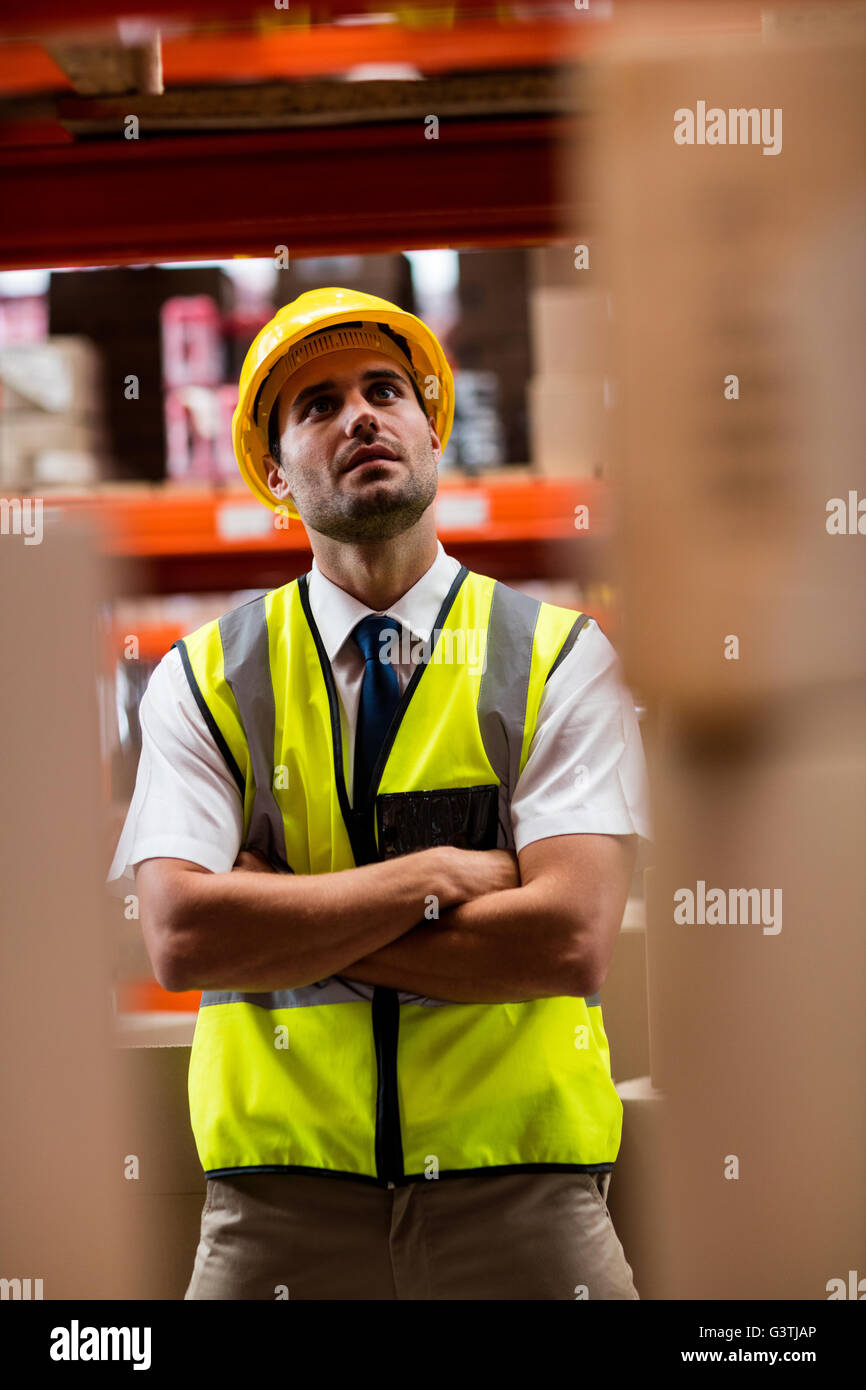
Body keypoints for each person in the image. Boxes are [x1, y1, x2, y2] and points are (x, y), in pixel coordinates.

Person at [107, 286, 653, 1300]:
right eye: (315, 405)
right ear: (275, 472)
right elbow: (183, 937)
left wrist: (281, 915)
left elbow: (569, 939)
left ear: (429, 425)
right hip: (278, 1207)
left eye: (383, 389)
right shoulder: (206, 678)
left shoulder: (557, 660)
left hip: (522, 1195)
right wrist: (440, 876)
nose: (357, 415)